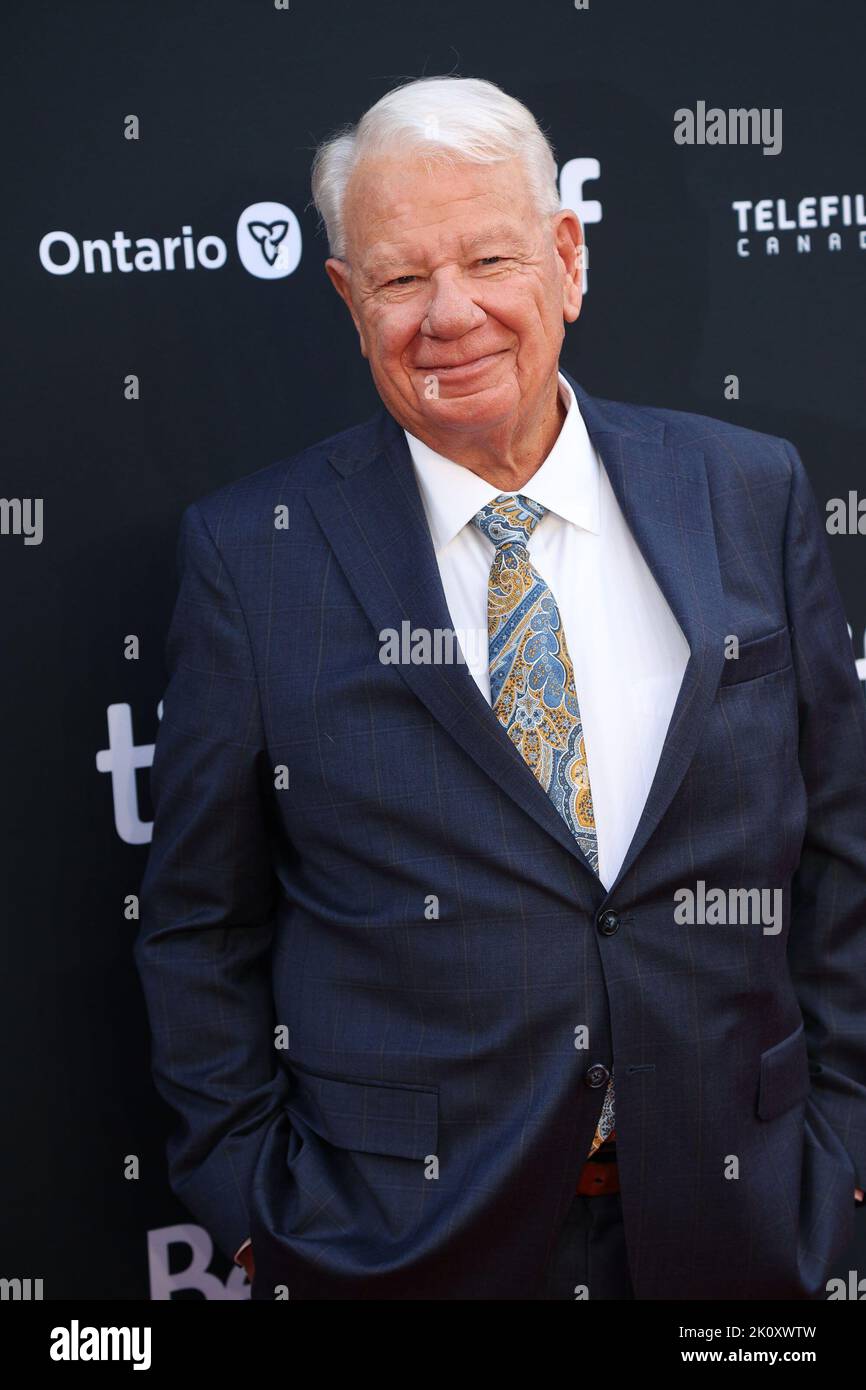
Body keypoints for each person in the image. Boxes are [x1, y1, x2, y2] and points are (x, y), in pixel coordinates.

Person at [136, 75, 865, 1300]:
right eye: (400, 278)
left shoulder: (747, 489)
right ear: (345, 302)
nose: (450, 313)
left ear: (567, 259)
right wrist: (256, 1206)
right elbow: (200, 924)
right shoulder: (252, 552)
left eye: (487, 257)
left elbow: (841, 847)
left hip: (743, 1227)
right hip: (407, 1246)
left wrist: (842, 1148)